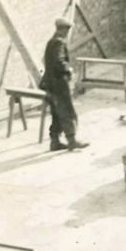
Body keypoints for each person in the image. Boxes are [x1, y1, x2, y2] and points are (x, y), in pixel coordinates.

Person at [40, 18, 89, 152]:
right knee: (67, 111)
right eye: (66, 30)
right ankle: (72, 140)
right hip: (59, 83)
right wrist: (69, 69)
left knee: (57, 113)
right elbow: (59, 62)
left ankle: (54, 142)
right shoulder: (59, 43)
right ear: (61, 30)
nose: (67, 33)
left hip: (49, 83)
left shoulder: (51, 42)